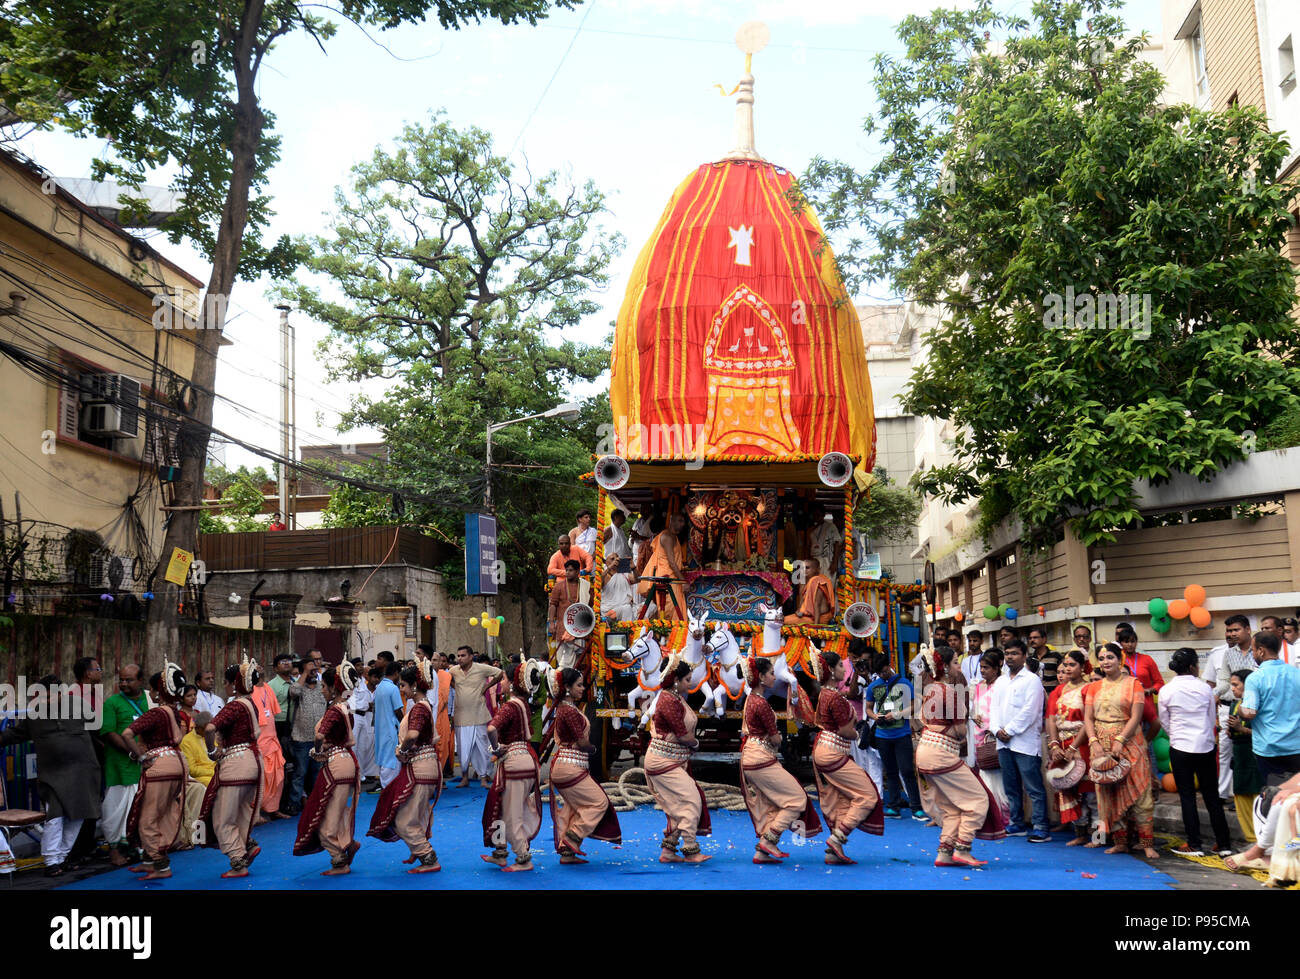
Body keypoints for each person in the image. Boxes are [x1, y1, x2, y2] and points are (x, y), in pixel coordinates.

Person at [914, 645, 1006, 867]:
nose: (959, 666)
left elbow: (922, 721)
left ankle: (945, 853)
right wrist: (965, 723)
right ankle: (962, 848)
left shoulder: (930, 690)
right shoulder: (950, 692)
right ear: (945, 667)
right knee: (978, 800)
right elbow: (960, 732)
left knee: (952, 807)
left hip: (926, 751)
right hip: (941, 754)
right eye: (956, 662)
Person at [0, 678, 103, 877]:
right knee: (54, 817)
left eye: (51, 696)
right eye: (44, 697)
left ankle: (61, 858)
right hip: (53, 776)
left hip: (84, 771)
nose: (47, 700)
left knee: (79, 816)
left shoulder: (80, 707)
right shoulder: (34, 716)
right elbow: (13, 735)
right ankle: (50, 861)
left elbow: (99, 731)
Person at [740, 656, 822, 863]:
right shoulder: (762, 705)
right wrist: (774, 740)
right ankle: (769, 839)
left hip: (752, 757)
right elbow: (777, 739)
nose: (774, 677)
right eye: (771, 673)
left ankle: (762, 852)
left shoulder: (751, 699)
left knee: (771, 804)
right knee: (797, 799)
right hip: (761, 758)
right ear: (760, 677)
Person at [1082, 643, 1159, 860]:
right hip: (1101, 746)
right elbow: (1088, 718)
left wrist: (1120, 739)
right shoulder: (1093, 687)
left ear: (1120, 659)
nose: (1106, 662)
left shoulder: (1133, 683)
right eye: (1102, 658)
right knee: (1109, 795)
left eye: (1110, 657)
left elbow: (1136, 717)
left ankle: (1147, 844)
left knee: (1140, 792)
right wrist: (1095, 742)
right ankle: (1120, 843)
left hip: (1130, 744)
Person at [367, 661, 443, 873]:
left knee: (402, 819)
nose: (401, 689)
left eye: (403, 685)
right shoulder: (425, 705)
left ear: (414, 686)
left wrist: (403, 750)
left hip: (420, 767)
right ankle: (417, 850)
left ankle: (428, 857)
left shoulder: (419, 708)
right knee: (412, 813)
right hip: (425, 766)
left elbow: (413, 734)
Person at [1158, 648, 1232, 858]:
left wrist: (1176, 735)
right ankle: (1224, 844)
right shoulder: (1205, 689)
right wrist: (1205, 735)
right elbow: (1211, 718)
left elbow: (1164, 720)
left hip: (1180, 747)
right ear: (1192, 666)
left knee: (1187, 797)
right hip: (1205, 746)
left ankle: (1194, 844)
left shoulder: (1167, 690)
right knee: (1211, 796)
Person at [811, 651, 883, 864]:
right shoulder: (835, 697)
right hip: (834, 752)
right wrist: (860, 732)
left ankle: (834, 852)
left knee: (840, 801)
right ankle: (837, 838)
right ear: (832, 671)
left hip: (825, 750)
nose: (845, 669)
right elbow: (844, 731)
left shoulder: (825, 694)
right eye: (841, 666)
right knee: (868, 796)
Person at [119, 663, 189, 881]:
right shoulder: (175, 713)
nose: (150, 693)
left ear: (158, 691)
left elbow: (127, 734)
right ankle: (149, 861)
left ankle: (161, 865)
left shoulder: (156, 713)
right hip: (177, 763)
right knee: (164, 814)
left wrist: (139, 757)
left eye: (152, 689)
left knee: (147, 818)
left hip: (160, 766)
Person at [546, 667, 622, 863]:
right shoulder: (568, 711)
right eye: (579, 685)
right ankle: (574, 837)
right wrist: (593, 750)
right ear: (568, 688)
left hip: (567, 767)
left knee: (574, 808)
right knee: (599, 802)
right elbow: (582, 743)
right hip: (570, 768)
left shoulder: (567, 709)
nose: (583, 688)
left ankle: (568, 853)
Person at [294, 662, 362, 876]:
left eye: (324, 686)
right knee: (337, 810)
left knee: (324, 821)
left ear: (334, 688)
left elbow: (320, 736)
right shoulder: (346, 708)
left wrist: (317, 752)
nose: (322, 690)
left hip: (336, 765)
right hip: (346, 763)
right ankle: (347, 843)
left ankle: (339, 859)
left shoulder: (334, 710)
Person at [643, 658, 713, 864]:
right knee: (691, 800)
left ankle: (668, 851)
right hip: (662, 761)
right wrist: (697, 743)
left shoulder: (675, 698)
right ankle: (690, 850)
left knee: (679, 805)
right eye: (687, 680)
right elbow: (682, 736)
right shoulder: (668, 700)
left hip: (672, 761)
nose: (690, 683)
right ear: (675, 680)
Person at [201, 659, 265, 878]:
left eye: (226, 683)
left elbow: (210, 728)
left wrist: (211, 751)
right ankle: (246, 844)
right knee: (241, 811)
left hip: (235, 764)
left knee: (222, 817)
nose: (224, 687)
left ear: (233, 684)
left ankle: (239, 860)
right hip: (253, 761)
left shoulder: (235, 705)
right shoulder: (251, 704)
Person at [481, 662, 544, 872]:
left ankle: (523, 858)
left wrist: (496, 748)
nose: (502, 684)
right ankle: (500, 852)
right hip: (523, 760)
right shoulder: (524, 703)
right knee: (500, 807)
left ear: (512, 682)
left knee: (511, 813)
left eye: (505, 680)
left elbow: (491, 728)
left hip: (514, 764)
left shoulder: (510, 706)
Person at [989, 638, 1049, 842]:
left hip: (1024, 742)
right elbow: (993, 708)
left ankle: (1040, 826)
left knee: (1033, 786)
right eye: (1007, 654)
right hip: (1003, 741)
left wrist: (1010, 730)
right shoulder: (1001, 681)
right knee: (1011, 786)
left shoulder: (1032, 680)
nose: (1010, 657)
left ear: (1024, 656)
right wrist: (997, 729)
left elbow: (1031, 712)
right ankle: (1017, 823)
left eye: (1014, 653)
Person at [97, 664, 149, 867]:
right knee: (115, 809)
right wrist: (132, 751)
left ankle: (138, 847)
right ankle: (115, 850)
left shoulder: (149, 700)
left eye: (129, 680)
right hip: (120, 765)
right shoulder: (112, 703)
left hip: (146, 764)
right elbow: (109, 733)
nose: (124, 684)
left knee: (143, 807)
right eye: (122, 680)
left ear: (140, 681)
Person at [1045, 650, 1098, 846]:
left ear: (1083, 667)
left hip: (1083, 744)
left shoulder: (1089, 689)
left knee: (1091, 793)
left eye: (1072, 665)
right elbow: (1051, 719)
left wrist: (1074, 746)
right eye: (1065, 665)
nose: (1067, 669)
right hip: (1062, 745)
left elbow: (1088, 720)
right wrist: (1054, 744)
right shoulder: (1058, 691)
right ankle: (1080, 834)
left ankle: (1097, 837)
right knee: (1069, 790)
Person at [865, 651, 923, 820]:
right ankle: (894, 806)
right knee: (890, 771)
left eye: (884, 671)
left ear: (888, 666)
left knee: (907, 770)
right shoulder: (873, 686)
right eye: (879, 673)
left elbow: (914, 706)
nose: (882, 675)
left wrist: (897, 714)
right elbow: (868, 708)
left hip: (902, 733)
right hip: (883, 735)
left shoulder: (904, 683)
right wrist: (876, 717)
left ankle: (916, 807)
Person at [1207, 615, 1256, 802]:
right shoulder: (1228, 653)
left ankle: (1248, 793)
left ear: (1248, 629)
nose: (1232, 634)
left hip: (1255, 708)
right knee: (1227, 750)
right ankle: (1224, 793)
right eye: (1229, 631)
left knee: (1251, 749)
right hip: (1231, 707)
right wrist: (1214, 694)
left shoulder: (1259, 650)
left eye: (1236, 630)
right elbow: (1224, 681)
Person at [1241, 631, 1300, 784]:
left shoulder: (1255, 678)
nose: (1252, 654)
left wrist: (1240, 708)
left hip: (1270, 748)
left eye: (1253, 650)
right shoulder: (1296, 673)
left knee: (1274, 798)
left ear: (1261, 651)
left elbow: (1249, 713)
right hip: (1296, 746)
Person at [449, 646, 504, 788]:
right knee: (463, 749)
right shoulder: (454, 670)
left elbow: (500, 673)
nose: (459, 658)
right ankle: (465, 777)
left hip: (479, 714)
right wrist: (457, 687)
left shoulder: (481, 668)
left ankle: (484, 778)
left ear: (471, 656)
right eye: (458, 655)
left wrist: (487, 686)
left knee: (482, 748)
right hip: (461, 716)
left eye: (463, 655)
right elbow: (448, 680)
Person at [969, 649, 1010, 820]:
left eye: (986, 667)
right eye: (981, 667)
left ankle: (1005, 816)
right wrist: (974, 716)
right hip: (979, 736)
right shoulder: (979, 686)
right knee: (985, 776)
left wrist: (991, 726)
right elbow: (974, 708)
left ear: (996, 668)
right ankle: (991, 816)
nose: (983, 671)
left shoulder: (1003, 684)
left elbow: (1005, 710)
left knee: (999, 779)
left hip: (997, 736)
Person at [286, 655, 328, 814]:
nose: (312, 674)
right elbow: (293, 692)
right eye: (309, 671)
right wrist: (304, 673)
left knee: (316, 774)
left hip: (319, 739)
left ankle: (316, 804)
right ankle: (294, 805)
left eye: (314, 671)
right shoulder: (299, 686)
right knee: (300, 773)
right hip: (301, 739)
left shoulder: (321, 687)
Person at [1226, 670, 1263, 843]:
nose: (1232, 689)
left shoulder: (1256, 705)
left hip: (1254, 754)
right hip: (1239, 755)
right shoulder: (1234, 705)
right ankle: (1250, 838)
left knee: (1257, 794)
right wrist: (1231, 731)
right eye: (1231, 685)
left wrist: (1242, 729)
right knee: (1240, 794)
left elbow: (1263, 732)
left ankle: (1262, 839)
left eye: (1236, 685)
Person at [638, 511, 689, 617]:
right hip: (667, 578)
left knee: (676, 608)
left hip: (672, 577)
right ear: (672, 521)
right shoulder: (667, 537)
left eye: (683, 521)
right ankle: (671, 632)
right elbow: (671, 563)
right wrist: (683, 581)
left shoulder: (673, 536)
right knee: (671, 611)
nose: (682, 524)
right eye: (680, 520)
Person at [250, 672, 286, 821]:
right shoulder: (249, 690)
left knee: (278, 774)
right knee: (261, 777)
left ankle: (273, 809)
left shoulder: (267, 688)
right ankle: (255, 812)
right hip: (259, 740)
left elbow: (274, 712)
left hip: (272, 738)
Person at [548, 559, 591, 671]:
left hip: (581, 629)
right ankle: (564, 681)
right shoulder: (559, 586)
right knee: (563, 662)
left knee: (579, 662)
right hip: (563, 628)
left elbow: (589, 606)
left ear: (577, 572)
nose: (567, 573)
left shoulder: (585, 586)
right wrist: (552, 623)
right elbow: (553, 605)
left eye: (570, 570)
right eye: (566, 570)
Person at [373, 661, 404, 789]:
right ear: (396, 673)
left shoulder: (379, 687)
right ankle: (390, 790)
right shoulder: (393, 688)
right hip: (391, 729)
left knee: (383, 758)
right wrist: (404, 724)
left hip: (380, 730)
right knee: (391, 761)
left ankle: (386, 787)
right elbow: (397, 710)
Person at [350, 666, 380, 791]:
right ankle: (351, 775)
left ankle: (361, 775)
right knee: (354, 745)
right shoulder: (358, 685)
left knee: (364, 746)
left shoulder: (378, 689)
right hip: (357, 716)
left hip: (369, 718)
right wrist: (365, 706)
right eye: (373, 676)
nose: (376, 680)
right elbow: (351, 702)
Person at [785, 557, 836, 625]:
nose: (804, 570)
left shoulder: (816, 581)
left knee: (783, 621)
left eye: (807, 568)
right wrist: (798, 612)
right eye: (802, 568)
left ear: (817, 570)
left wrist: (815, 628)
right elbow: (801, 605)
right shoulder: (805, 582)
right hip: (807, 617)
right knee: (781, 619)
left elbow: (817, 605)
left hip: (819, 618)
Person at [600, 551, 639, 624]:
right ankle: (627, 630)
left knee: (652, 607)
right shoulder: (605, 575)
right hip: (609, 609)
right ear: (606, 562)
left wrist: (633, 568)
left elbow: (637, 580)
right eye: (612, 559)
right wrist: (610, 567)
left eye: (617, 558)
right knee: (627, 608)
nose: (615, 560)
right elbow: (599, 582)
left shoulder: (624, 574)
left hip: (623, 608)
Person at [432, 652, 454, 779]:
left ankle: (440, 776)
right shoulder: (425, 676)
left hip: (443, 716)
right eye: (432, 660)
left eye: (437, 660)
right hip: (431, 716)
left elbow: (446, 698)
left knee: (444, 745)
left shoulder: (446, 676)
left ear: (441, 662)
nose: (435, 662)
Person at [1028, 627, 1060, 695]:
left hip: (1052, 697)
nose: (1032, 640)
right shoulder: (1029, 659)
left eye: (1035, 637)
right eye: (1030, 638)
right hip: (1036, 698)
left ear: (1044, 639)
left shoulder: (1055, 656)